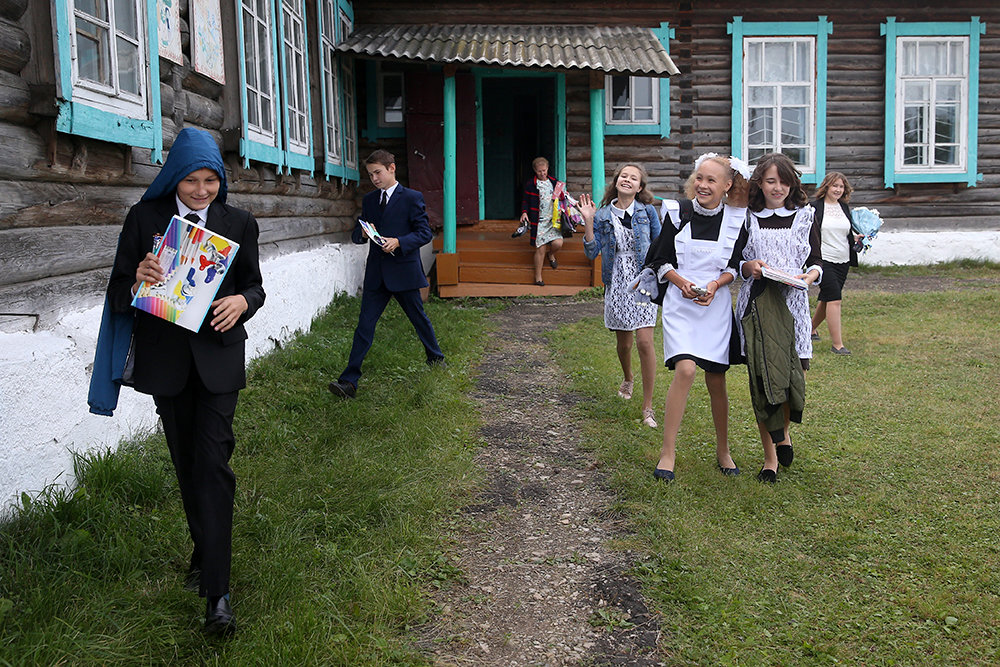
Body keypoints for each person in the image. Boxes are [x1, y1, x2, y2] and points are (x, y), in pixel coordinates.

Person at [102, 127, 265, 635]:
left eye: (210, 181)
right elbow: (116, 293)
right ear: (174, 178)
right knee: (188, 467)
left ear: (220, 180)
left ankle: (218, 593)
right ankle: (205, 547)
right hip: (167, 365)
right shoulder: (145, 219)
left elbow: (254, 287)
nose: (200, 191)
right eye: (191, 180)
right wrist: (137, 280)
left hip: (218, 361)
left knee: (214, 466)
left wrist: (243, 303)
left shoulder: (239, 223)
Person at [637, 154, 749, 482]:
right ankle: (667, 453)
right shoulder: (677, 213)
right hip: (680, 304)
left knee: (716, 380)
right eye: (699, 178)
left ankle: (723, 450)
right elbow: (659, 258)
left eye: (711, 180)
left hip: (714, 307)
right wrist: (681, 282)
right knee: (685, 370)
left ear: (727, 186)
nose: (702, 185)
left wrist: (716, 285)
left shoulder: (735, 220)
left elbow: (734, 265)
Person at [734, 153, 823, 484]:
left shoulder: (804, 216)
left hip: (794, 304)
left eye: (784, 181)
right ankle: (771, 458)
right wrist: (750, 267)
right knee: (765, 381)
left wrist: (809, 277)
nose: (778, 188)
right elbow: (735, 262)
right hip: (759, 304)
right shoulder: (748, 217)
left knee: (791, 378)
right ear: (761, 182)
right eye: (771, 181)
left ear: (792, 184)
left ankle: (782, 434)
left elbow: (816, 260)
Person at [328, 149, 445, 399]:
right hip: (377, 274)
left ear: (392, 168)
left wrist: (399, 241)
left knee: (418, 318)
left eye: (378, 172)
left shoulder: (412, 197)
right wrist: (360, 234)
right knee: (364, 326)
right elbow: (360, 232)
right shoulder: (370, 200)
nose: (374, 179)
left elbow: (424, 233)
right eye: (370, 175)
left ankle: (436, 357)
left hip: (403, 272)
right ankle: (349, 382)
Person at [577, 164, 662, 428]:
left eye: (633, 178)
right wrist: (588, 221)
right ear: (616, 182)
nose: (627, 180)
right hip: (617, 281)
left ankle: (647, 407)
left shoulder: (648, 212)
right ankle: (628, 377)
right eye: (623, 176)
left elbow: (660, 245)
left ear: (639, 187)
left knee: (645, 343)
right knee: (624, 344)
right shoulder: (602, 215)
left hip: (644, 279)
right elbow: (592, 253)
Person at [810, 172, 861, 355]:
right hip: (824, 260)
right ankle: (837, 345)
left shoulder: (844, 208)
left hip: (843, 259)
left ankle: (810, 329)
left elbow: (845, 232)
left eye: (841, 187)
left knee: (827, 298)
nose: (838, 190)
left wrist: (857, 238)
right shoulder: (814, 207)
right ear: (826, 187)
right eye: (835, 186)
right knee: (835, 299)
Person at [515, 156, 563, 286]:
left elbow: (563, 197)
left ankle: (551, 254)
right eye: (539, 171)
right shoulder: (531, 184)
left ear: (547, 168)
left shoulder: (554, 182)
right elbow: (525, 200)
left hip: (552, 220)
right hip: (539, 221)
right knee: (540, 249)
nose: (542, 173)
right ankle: (538, 277)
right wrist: (524, 212)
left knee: (558, 243)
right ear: (535, 171)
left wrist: (561, 194)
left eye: (544, 170)